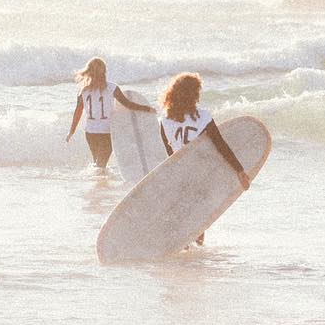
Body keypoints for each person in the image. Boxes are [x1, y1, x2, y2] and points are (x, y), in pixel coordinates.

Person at [158, 72, 251, 245]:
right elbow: (220, 145)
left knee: (183, 214)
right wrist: (239, 170)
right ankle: (198, 249)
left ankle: (184, 248)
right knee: (199, 217)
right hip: (200, 174)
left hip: (178, 175)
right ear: (195, 93)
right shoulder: (203, 117)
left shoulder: (164, 119)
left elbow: (170, 154)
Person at [65, 57, 154, 168]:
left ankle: (98, 182)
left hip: (90, 131)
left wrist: (71, 131)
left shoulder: (83, 90)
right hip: (107, 131)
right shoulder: (112, 87)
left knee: (97, 161)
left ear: (88, 71)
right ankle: (100, 182)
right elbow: (128, 104)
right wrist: (147, 108)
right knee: (101, 164)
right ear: (104, 71)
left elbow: (78, 111)